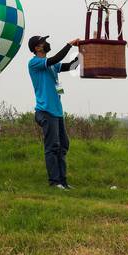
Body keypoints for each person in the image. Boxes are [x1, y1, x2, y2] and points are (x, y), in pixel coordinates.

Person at [27, 34, 81, 189]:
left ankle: (63, 181)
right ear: (37, 47)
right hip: (45, 111)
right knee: (52, 147)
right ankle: (54, 182)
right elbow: (56, 59)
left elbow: (71, 66)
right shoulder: (35, 63)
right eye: (43, 42)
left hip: (57, 112)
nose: (47, 43)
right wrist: (69, 44)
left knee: (63, 145)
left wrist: (84, 51)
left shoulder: (51, 65)